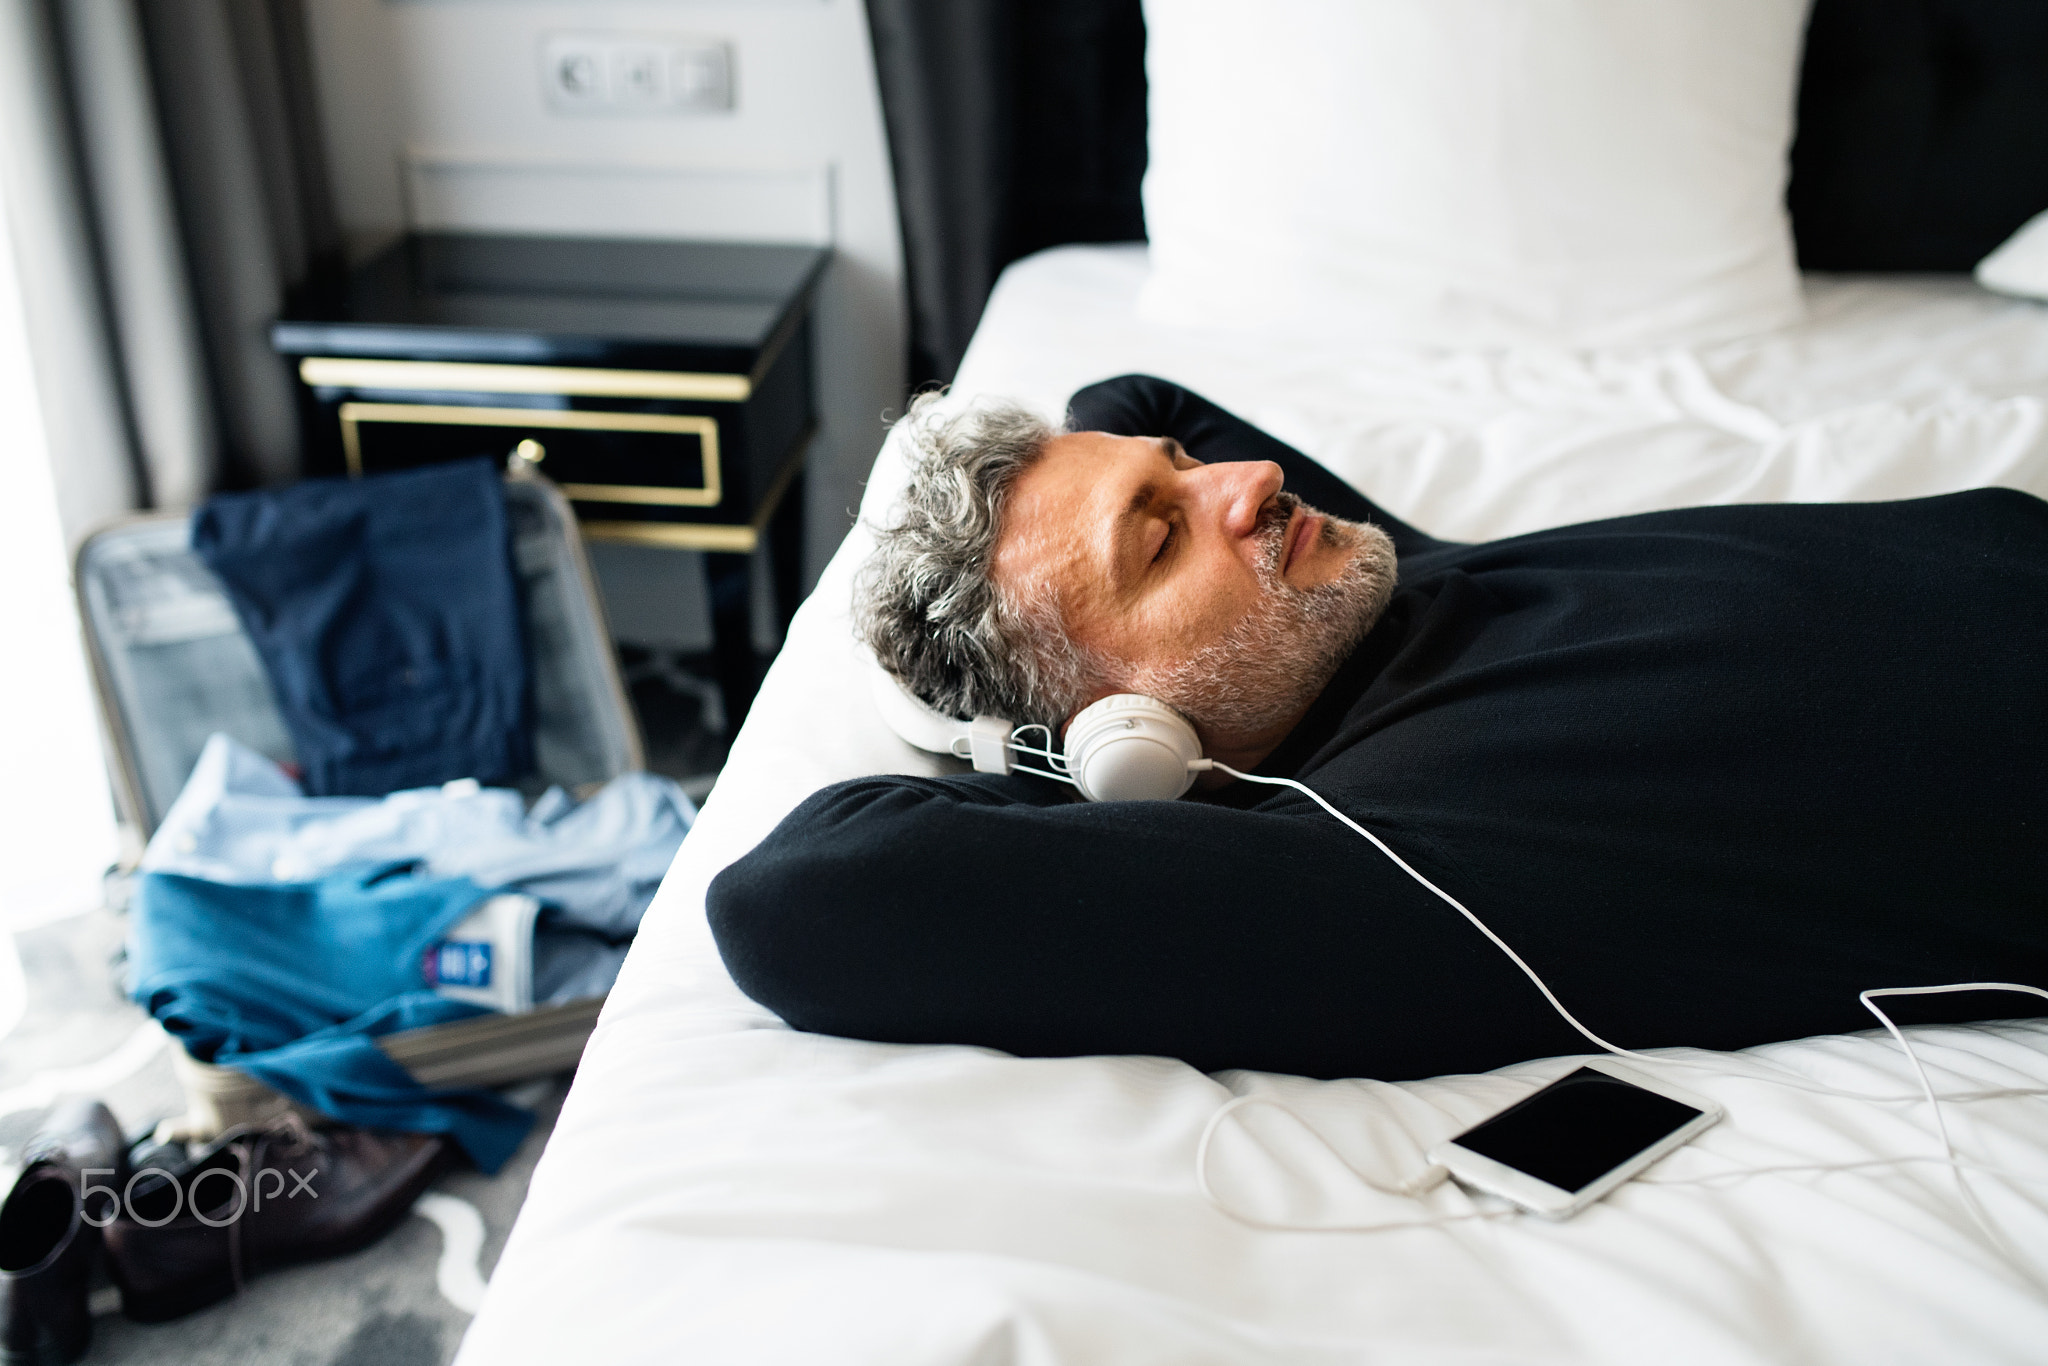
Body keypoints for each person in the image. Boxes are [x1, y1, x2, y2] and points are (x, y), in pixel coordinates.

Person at [707, 374, 2048, 1081]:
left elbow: (1140, 396)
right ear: (1118, 724)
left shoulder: (1391, 577)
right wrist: (1054, 757)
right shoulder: (1380, 859)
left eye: (1180, 480)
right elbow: (797, 897)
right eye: (1161, 535)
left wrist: (1114, 491)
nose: (1248, 482)